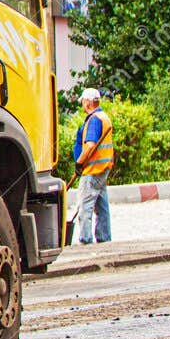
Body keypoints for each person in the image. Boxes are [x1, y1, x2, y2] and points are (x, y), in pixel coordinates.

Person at [73, 88, 114, 245]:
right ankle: (104, 238)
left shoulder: (95, 120)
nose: (83, 104)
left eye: (83, 101)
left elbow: (90, 146)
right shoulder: (103, 117)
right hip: (103, 168)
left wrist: (79, 162)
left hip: (92, 170)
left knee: (85, 207)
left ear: (88, 102)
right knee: (102, 205)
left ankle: (85, 239)